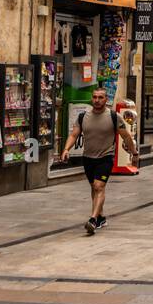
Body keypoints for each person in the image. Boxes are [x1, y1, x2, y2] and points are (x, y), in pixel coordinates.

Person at [61, 88, 138, 235]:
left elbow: (126, 137)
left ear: (106, 99)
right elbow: (74, 135)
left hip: (106, 157)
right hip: (88, 157)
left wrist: (134, 153)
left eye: (100, 97)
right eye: (95, 97)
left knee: (99, 186)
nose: (97, 100)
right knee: (93, 187)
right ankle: (101, 217)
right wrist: (66, 149)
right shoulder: (83, 117)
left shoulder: (114, 117)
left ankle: (92, 220)